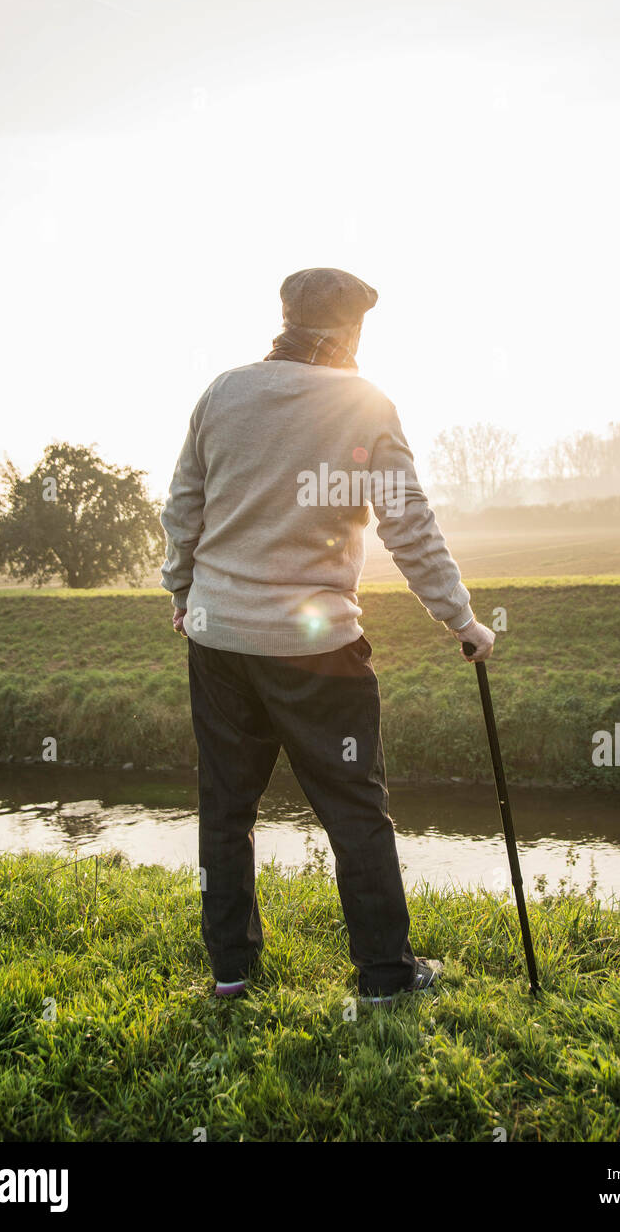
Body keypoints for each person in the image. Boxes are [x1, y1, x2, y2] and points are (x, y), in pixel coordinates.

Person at [160, 266, 494, 1002]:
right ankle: (384, 977)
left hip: (218, 638)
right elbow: (407, 521)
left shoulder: (223, 392)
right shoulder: (362, 403)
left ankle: (230, 974)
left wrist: (183, 592)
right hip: (316, 652)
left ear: (285, 319)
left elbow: (183, 505)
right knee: (353, 808)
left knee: (224, 807)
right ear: (348, 331)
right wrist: (459, 619)